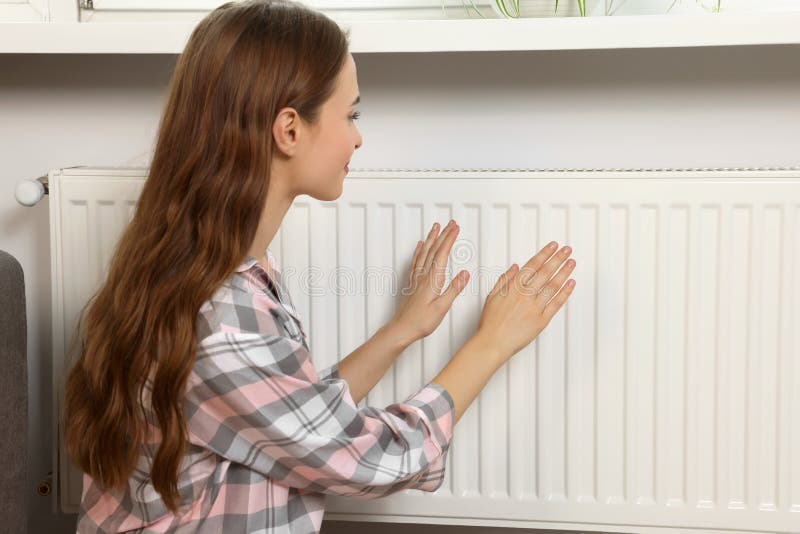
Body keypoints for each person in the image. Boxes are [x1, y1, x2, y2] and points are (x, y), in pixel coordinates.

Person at [62, 1, 578, 532]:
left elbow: (292, 416)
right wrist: (491, 343)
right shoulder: (223, 319)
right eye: (352, 115)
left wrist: (401, 331)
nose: (358, 137)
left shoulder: (213, 265)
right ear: (289, 129)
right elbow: (377, 460)